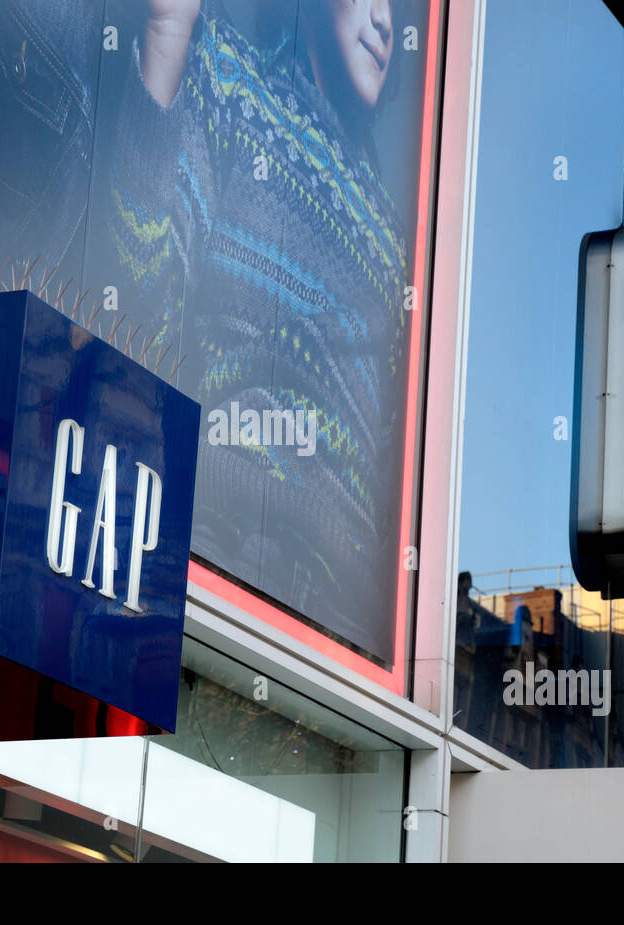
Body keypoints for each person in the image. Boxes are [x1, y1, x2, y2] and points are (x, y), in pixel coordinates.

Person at [108, 0, 410, 658]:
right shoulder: (231, 86)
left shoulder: (394, 246)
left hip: (338, 636)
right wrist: (167, 39)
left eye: (399, 6)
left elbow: (389, 478)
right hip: (208, 560)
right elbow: (137, 289)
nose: (387, 22)